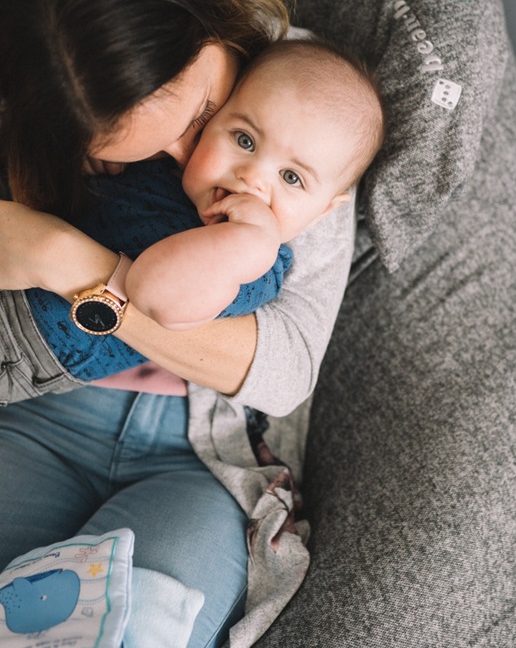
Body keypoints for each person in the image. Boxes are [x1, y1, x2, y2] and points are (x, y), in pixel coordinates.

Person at [0, 0, 367, 648]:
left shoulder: (301, 110)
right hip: (32, 425)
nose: (195, 160)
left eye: (205, 116)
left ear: (207, 12)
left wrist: (68, 261)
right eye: (129, 160)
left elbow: (282, 365)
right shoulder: (34, 113)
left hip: (200, 469)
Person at [6, 37, 383, 400]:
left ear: (324, 212)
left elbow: (152, 292)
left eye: (291, 178)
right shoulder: (167, 169)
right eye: (244, 140)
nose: (253, 178)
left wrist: (249, 238)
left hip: (22, 346)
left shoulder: (254, 267)